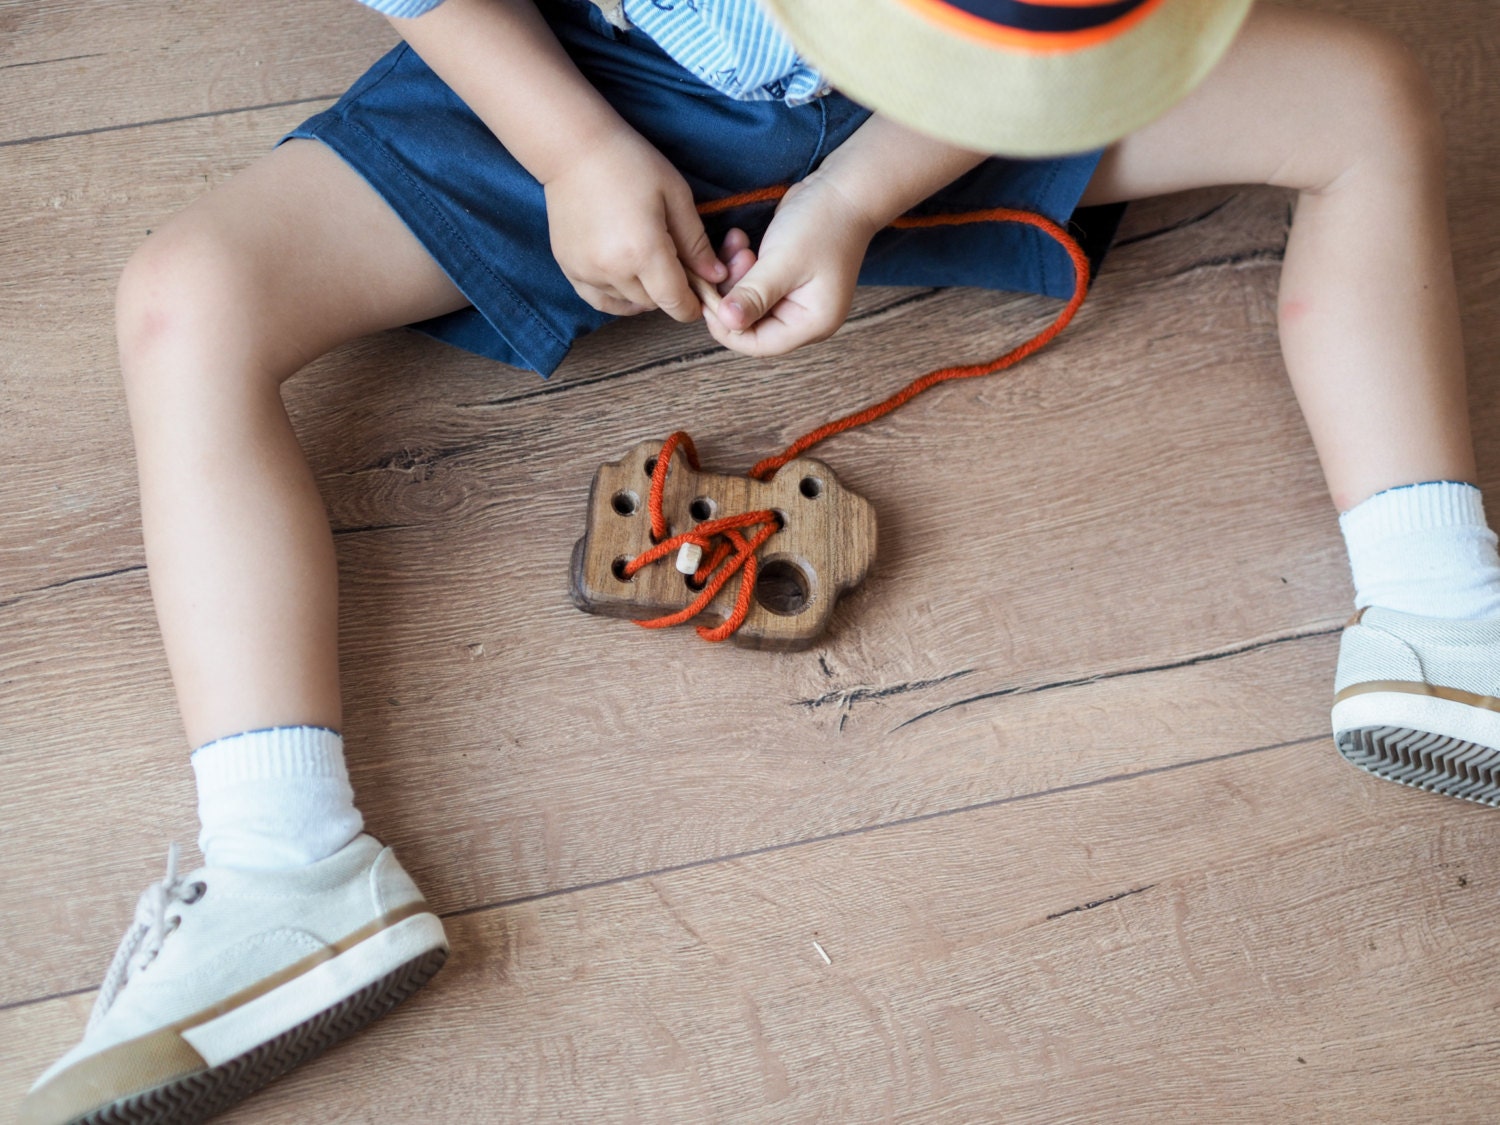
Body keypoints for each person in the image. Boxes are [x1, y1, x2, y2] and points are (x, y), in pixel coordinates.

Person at [22, 0, 1500, 1121]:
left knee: (1362, 98)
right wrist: (569, 144)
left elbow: (1062, 26)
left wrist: (864, 187)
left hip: (957, 83)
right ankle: (289, 864)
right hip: (591, 74)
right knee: (187, 298)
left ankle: (1440, 617)